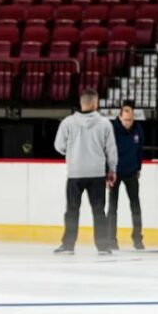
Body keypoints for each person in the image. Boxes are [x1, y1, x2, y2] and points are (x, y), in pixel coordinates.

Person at [53, 88, 117, 255]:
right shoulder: (104, 123)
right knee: (98, 210)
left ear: (81, 103)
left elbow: (59, 146)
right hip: (96, 173)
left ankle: (68, 245)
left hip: (75, 172)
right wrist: (112, 169)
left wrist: (73, 151)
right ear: (95, 103)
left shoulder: (68, 122)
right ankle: (102, 246)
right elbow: (111, 150)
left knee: (72, 210)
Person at [105, 100, 146, 251]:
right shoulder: (111, 129)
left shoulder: (138, 129)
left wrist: (138, 168)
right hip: (114, 173)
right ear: (120, 117)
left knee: (136, 207)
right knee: (112, 208)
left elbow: (140, 150)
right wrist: (107, 172)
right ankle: (111, 240)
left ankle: (137, 239)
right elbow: (106, 151)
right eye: (126, 120)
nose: (128, 123)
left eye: (131, 120)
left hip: (131, 173)